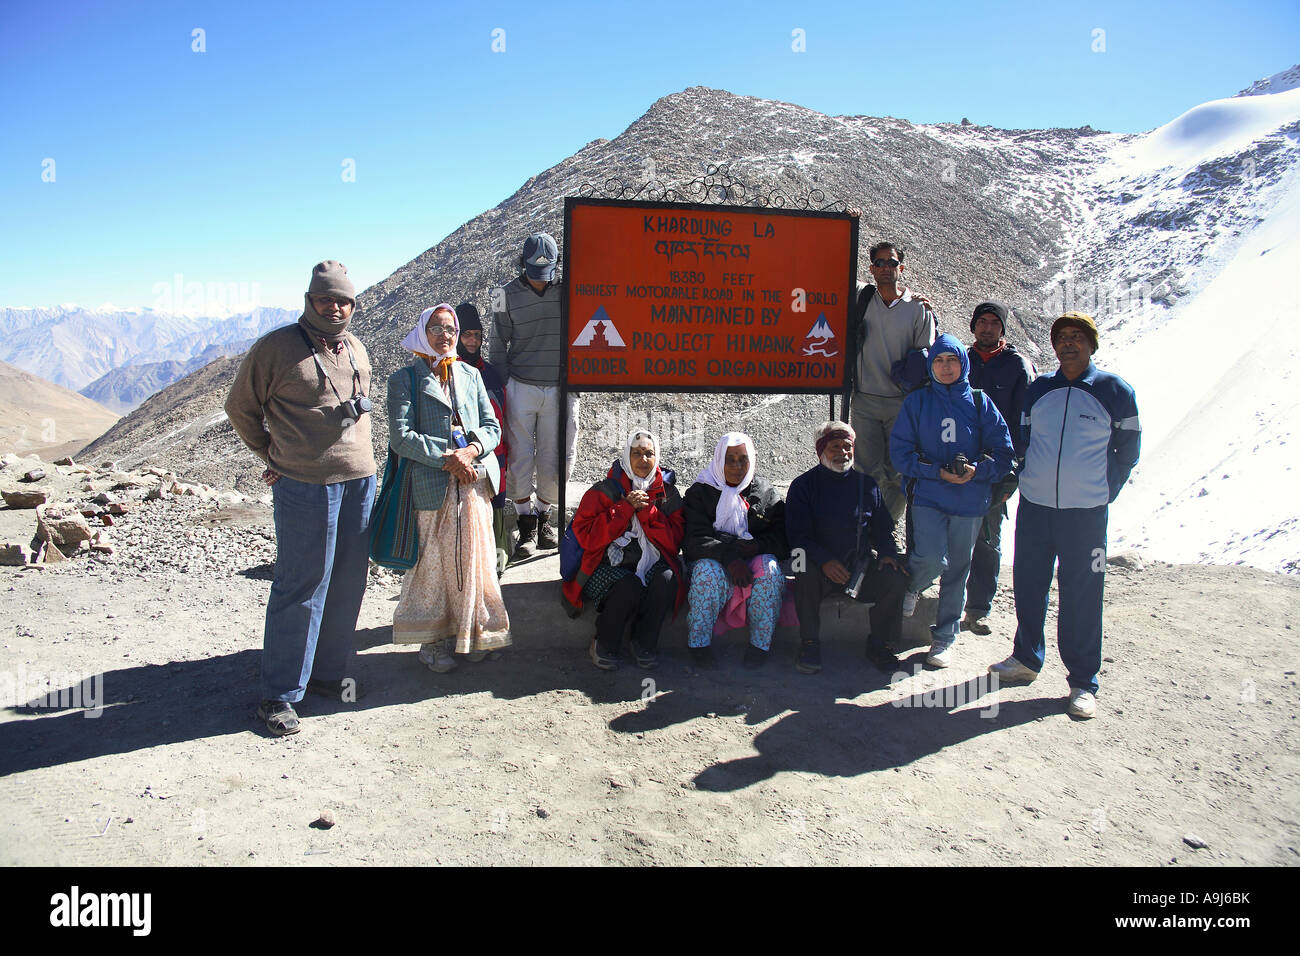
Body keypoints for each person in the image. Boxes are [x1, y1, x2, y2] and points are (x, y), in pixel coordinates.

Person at [225, 260, 376, 736]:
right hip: (304, 485)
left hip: (359, 481)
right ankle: (281, 695)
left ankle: (328, 674)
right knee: (301, 585)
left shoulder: (355, 346)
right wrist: (269, 452)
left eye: (344, 300)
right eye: (326, 299)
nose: (336, 307)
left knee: (348, 581)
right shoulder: (276, 348)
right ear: (309, 301)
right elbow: (240, 407)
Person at [989, 312, 1140, 720]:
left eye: (1077, 337)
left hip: (1085, 515)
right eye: (1062, 338)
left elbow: (1128, 451)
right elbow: (1022, 438)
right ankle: (1026, 659)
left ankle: (1082, 682)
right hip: (1036, 507)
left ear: (1092, 344)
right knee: (1028, 583)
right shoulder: (1040, 389)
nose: (1069, 343)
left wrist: (1103, 491)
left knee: (1083, 594)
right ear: (1054, 346)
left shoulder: (1115, 390)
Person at [387, 303, 510, 673]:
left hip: (472, 487)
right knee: (433, 565)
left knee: (476, 561)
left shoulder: (471, 375)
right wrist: (449, 458)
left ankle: (472, 633)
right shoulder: (404, 380)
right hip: (431, 485)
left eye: (451, 329)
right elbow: (401, 437)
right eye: (437, 328)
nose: (446, 336)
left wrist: (471, 450)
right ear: (423, 332)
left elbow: (492, 427)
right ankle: (433, 640)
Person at [890, 334, 1014, 668]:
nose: (946, 368)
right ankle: (914, 584)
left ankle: (944, 636)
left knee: (959, 568)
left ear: (964, 363)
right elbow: (900, 453)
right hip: (929, 495)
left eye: (952, 361)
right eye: (940, 361)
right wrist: (934, 472)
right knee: (931, 557)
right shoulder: (917, 402)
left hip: (970, 500)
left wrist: (978, 471)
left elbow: (1004, 452)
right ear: (931, 365)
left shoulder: (979, 402)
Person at [786, 421, 908, 674]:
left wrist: (887, 553)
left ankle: (879, 643)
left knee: (895, 578)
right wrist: (824, 561)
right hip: (819, 567)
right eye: (834, 447)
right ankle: (809, 643)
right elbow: (797, 536)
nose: (842, 452)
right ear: (821, 450)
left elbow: (883, 529)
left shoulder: (868, 485)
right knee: (801, 565)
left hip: (857, 568)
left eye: (847, 446)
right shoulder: (803, 486)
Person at [561, 429, 685, 670]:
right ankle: (604, 642)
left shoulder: (667, 493)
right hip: (604, 565)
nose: (643, 460)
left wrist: (648, 513)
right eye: (636, 453)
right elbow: (586, 536)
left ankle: (643, 641)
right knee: (629, 586)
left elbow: (675, 541)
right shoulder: (605, 490)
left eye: (649, 453)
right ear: (626, 457)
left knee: (668, 579)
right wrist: (625, 508)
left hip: (649, 564)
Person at [489, 232, 577, 558]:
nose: (539, 280)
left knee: (558, 459)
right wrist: (498, 391)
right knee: (519, 458)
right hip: (520, 385)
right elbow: (497, 344)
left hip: (561, 387)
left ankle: (544, 517)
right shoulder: (502, 294)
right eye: (532, 272)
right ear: (521, 265)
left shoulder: (570, 291)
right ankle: (525, 523)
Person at [682, 433, 790, 670]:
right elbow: (693, 540)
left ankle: (759, 645)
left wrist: (758, 546)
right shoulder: (700, 492)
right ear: (719, 459)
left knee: (770, 572)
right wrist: (730, 558)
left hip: (751, 558)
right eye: (729, 459)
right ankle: (698, 644)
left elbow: (783, 538)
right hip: (713, 558)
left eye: (743, 459)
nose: (736, 466)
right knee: (707, 575)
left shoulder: (765, 493)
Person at [849, 241, 937, 523]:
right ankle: (866, 531)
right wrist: (850, 222)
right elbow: (834, 269)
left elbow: (926, 359)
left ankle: (887, 527)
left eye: (892, 262)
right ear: (872, 268)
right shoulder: (862, 297)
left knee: (898, 469)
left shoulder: (919, 309)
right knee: (865, 469)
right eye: (880, 263)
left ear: (902, 267)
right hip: (864, 399)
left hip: (902, 403)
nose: (886, 267)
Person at [963, 301, 1036, 634]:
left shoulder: (1018, 366)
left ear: (1002, 329)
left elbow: (1027, 423)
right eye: (982, 322)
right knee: (948, 531)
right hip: (957, 462)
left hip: (996, 468)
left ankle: (978, 608)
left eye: (994, 322)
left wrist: (1014, 472)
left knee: (987, 537)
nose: (988, 327)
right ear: (973, 326)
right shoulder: (959, 360)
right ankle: (943, 601)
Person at [455, 301, 510, 574]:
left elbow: (502, 416)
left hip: (495, 455)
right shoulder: (447, 371)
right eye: (467, 334)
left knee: (495, 506)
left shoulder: (490, 372)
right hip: (463, 457)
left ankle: (495, 565)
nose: (473, 341)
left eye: (477, 335)